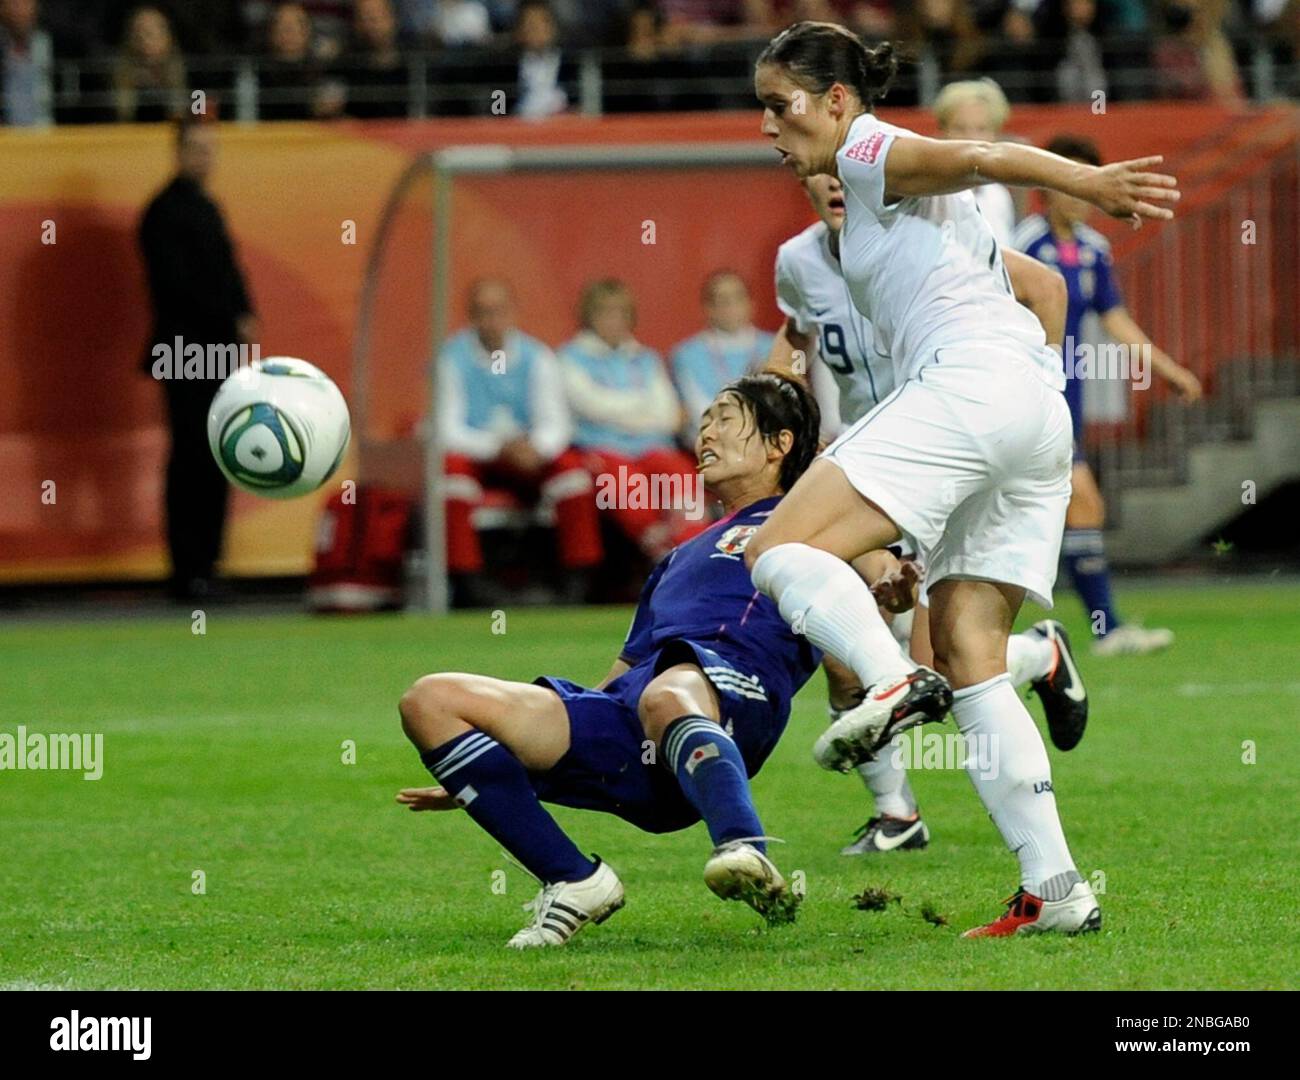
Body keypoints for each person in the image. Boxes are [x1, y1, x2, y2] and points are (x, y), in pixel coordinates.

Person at [747, 21, 1178, 935]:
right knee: (972, 648)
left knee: (777, 547)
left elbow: (983, 153)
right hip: (1020, 403)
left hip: (970, 386)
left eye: (779, 106)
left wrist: (1087, 183)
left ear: (834, 100)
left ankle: (888, 682)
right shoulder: (865, 213)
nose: (768, 129)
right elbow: (1032, 286)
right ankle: (1057, 892)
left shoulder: (864, 147)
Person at [396, 374, 824, 947]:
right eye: (703, 422)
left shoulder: (811, 527)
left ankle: (744, 847)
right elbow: (622, 674)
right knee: (431, 700)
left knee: (669, 690)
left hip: (733, 699)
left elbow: (876, 575)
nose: (706, 433)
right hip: (643, 718)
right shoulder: (676, 558)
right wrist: (494, 768)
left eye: (726, 418)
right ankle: (575, 880)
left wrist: (894, 587)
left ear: (780, 444)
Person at [769, 169, 1090, 857]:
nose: (830, 183)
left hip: (950, 438)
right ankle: (896, 812)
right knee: (841, 649)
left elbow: (1047, 289)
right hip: (873, 458)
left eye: (840, 170)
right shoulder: (797, 261)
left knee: (941, 662)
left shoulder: (922, 234)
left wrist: (1037, 388)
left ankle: (1035, 656)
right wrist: (775, 401)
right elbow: (795, 339)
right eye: (813, 172)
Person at [1014, 133, 1202, 656]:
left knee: (1075, 506)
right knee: (1080, 502)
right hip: (1026, 395)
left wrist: (1167, 369)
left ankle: (1102, 629)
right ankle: (1105, 629)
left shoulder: (1094, 251)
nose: (1079, 192)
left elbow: (1115, 319)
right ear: (1047, 186)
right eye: (1069, 180)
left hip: (1065, 399)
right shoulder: (1024, 243)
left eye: (1086, 181)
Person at [139, 118, 256, 602]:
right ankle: (188, 569)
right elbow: (177, 288)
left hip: (216, 349)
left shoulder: (206, 207)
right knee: (192, 454)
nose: (204, 157)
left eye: (211, 149)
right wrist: (230, 317)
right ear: (178, 151)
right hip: (189, 350)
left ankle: (207, 563)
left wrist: (243, 316)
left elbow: (229, 275)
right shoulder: (164, 213)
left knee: (215, 455)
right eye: (196, 149)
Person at [439, 278, 602, 606]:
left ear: (513, 313)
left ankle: (578, 582)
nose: (491, 321)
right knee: (451, 473)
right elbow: (447, 429)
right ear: (470, 316)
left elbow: (556, 423)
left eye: (498, 311)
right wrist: (497, 448)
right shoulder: (451, 359)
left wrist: (535, 450)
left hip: (528, 458)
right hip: (480, 456)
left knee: (571, 472)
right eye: (483, 312)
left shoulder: (537, 357)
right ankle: (468, 584)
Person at [558, 279, 704, 561]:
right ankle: (660, 552)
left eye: (621, 312)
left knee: (679, 471)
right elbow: (591, 406)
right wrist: (642, 408)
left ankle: (692, 550)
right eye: (604, 312)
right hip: (601, 450)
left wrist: (625, 412)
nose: (614, 320)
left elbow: (669, 414)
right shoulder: (571, 357)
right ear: (588, 316)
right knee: (625, 480)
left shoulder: (645, 358)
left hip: (654, 448)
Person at [669, 271, 773, 446]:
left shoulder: (775, 346)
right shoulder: (686, 354)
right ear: (707, 308)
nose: (731, 306)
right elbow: (700, 412)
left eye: (738, 298)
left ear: (751, 304)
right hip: (715, 443)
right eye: (722, 300)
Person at [932, 78, 1016, 249]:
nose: (970, 139)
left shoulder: (999, 196)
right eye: (959, 128)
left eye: (981, 129)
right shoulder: (927, 194)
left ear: (995, 135)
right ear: (942, 132)